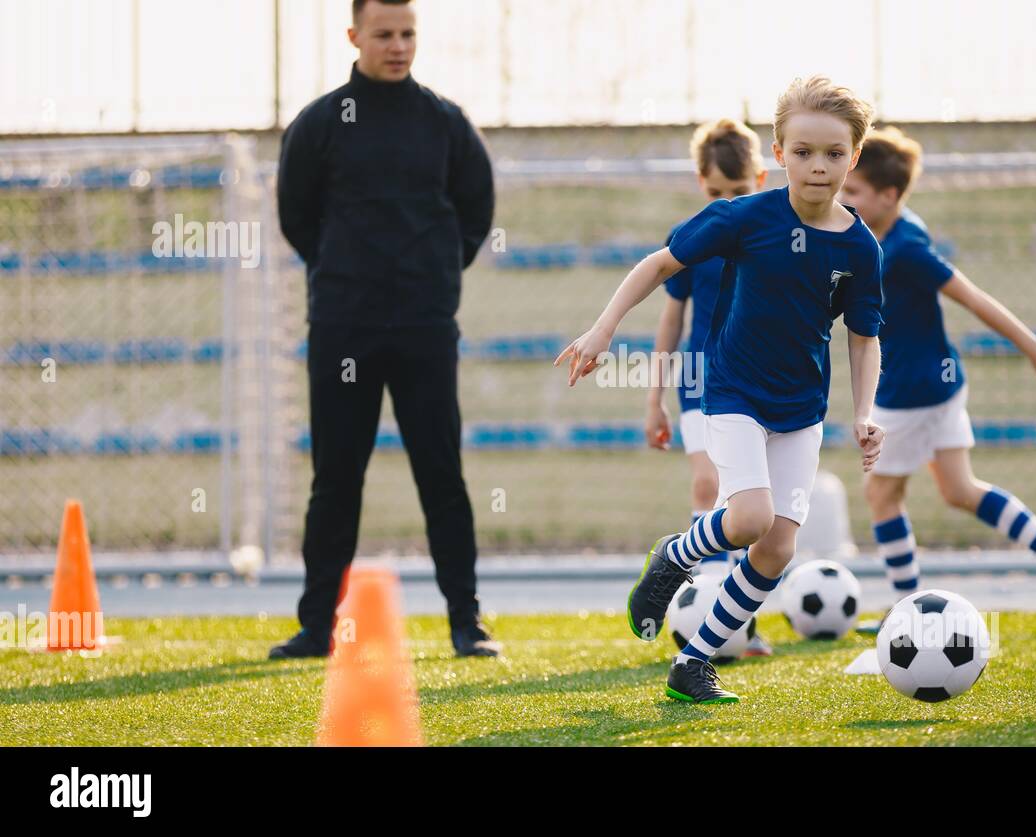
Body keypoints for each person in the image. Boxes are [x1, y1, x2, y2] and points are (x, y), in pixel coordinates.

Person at [558, 77, 885, 703]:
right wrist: (602, 331)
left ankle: (693, 661)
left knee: (778, 547)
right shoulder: (744, 217)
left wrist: (864, 413)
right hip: (731, 392)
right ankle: (674, 557)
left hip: (801, 410)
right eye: (804, 151)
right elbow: (659, 265)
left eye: (834, 153)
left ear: (855, 157)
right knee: (749, 517)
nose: (819, 166)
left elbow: (864, 338)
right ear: (780, 151)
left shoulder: (860, 249)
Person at [271, 0, 501, 659]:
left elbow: (475, 208)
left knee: (442, 474)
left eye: (408, 34)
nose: (398, 46)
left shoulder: (446, 123)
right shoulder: (320, 124)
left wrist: (435, 272)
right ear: (354, 36)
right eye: (384, 34)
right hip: (344, 329)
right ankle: (317, 627)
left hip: (426, 327)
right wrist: (344, 271)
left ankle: (466, 621)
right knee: (336, 478)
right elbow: (298, 216)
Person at [834, 127, 1036, 633]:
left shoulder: (905, 250)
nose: (845, 200)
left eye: (855, 192)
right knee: (959, 489)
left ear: (888, 197)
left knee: (881, 496)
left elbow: (972, 297)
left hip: (908, 394)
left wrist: (1033, 346)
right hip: (941, 386)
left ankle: (907, 612)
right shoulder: (895, 228)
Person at [644, 117, 773, 659]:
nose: (726, 202)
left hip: (759, 385)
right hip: (701, 382)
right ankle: (697, 606)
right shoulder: (692, 239)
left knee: (750, 507)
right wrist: (654, 396)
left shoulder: (774, 235)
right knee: (707, 485)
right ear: (701, 184)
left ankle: (737, 619)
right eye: (716, 192)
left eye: (738, 192)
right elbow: (672, 320)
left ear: (761, 180)